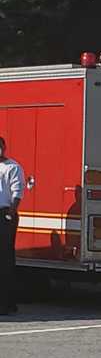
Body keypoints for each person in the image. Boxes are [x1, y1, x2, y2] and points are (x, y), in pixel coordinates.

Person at [0, 135, 25, 315]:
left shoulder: (12, 167)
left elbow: (18, 191)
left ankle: (7, 303)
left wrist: (12, 211)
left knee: (5, 259)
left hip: (5, 214)